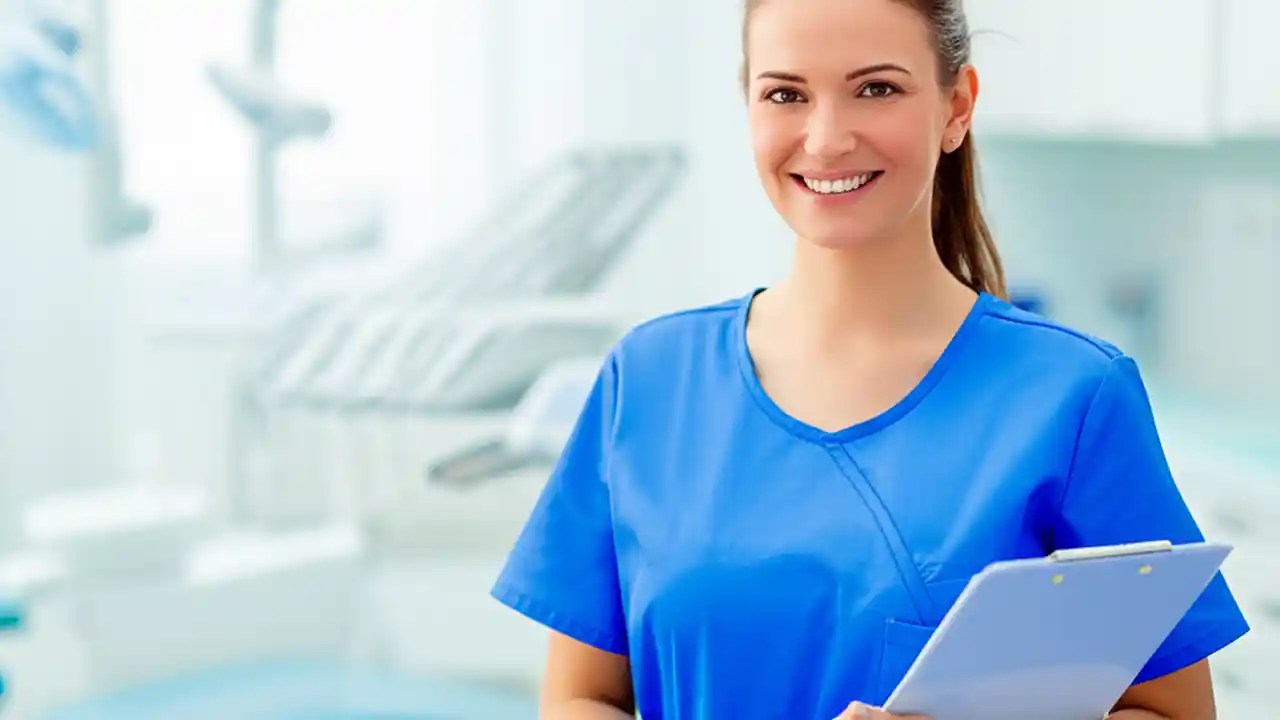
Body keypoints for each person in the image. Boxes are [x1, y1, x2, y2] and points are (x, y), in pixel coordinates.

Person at [490, 0, 1250, 718]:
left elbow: (1172, 710)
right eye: (785, 95)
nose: (825, 139)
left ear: (956, 108)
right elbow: (579, 696)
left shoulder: (1072, 398)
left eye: (876, 88)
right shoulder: (650, 380)